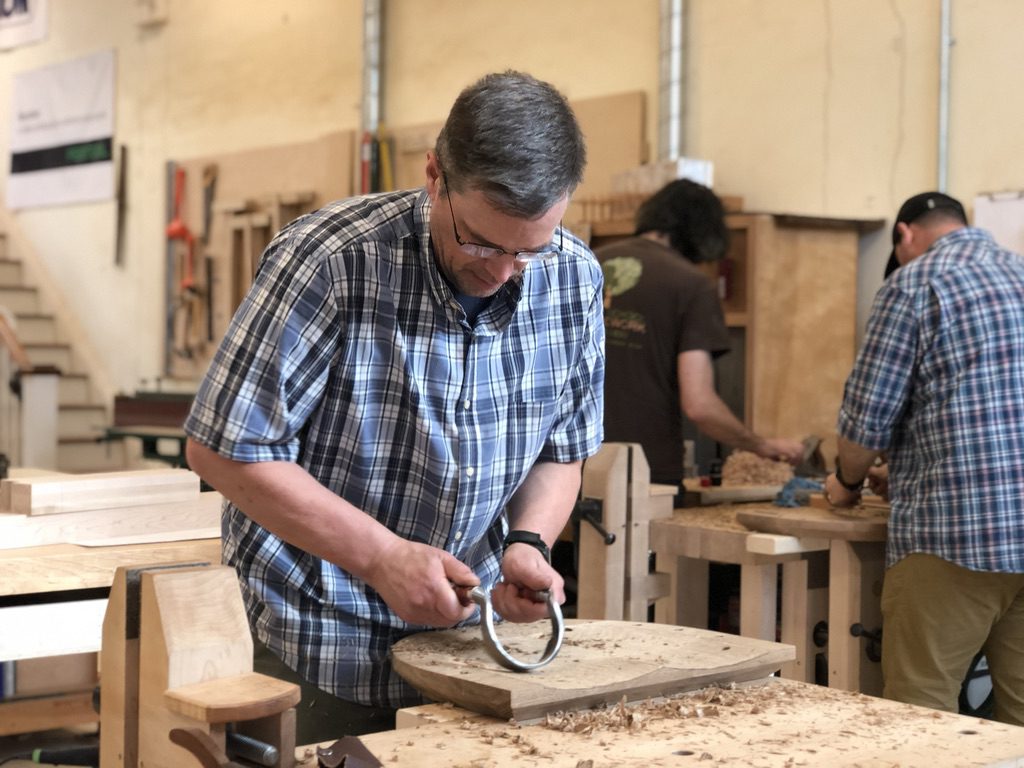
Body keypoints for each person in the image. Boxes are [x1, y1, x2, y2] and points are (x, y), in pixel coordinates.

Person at [183, 70, 605, 742]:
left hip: (467, 646)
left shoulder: (574, 277)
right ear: (435, 176)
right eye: (479, 242)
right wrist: (380, 557)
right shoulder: (330, 261)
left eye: (527, 251)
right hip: (316, 641)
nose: (500, 271)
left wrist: (527, 544)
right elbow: (226, 448)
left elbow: (562, 449)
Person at [824, 191, 1024, 725]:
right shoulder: (1019, 271)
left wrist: (846, 481)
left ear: (905, 234)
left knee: (922, 716)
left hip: (957, 534)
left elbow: (867, 418)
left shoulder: (914, 283)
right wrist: (909, 468)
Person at [596, 179, 803, 486]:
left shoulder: (590, 262)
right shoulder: (691, 285)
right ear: (703, 233)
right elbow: (700, 404)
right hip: (644, 475)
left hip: (566, 468)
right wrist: (763, 446)